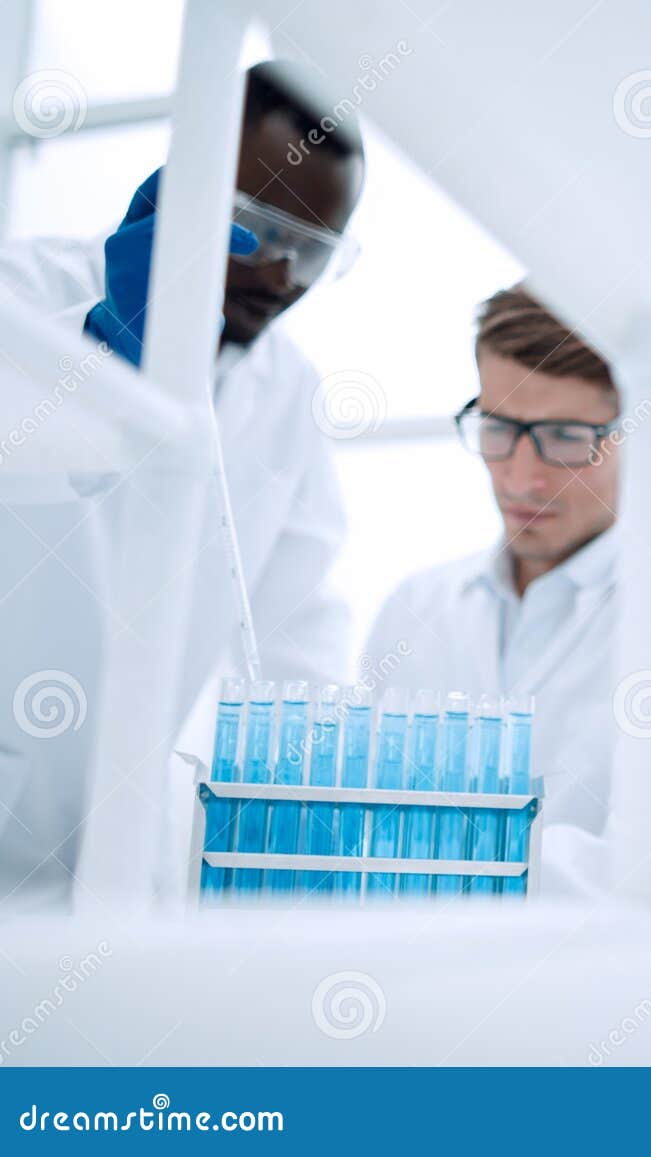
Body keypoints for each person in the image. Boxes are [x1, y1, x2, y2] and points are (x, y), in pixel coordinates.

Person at [0, 61, 364, 909]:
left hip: (116, 849)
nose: (280, 276)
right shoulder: (28, 292)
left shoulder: (288, 392)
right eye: (257, 230)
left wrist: (321, 802)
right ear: (188, 183)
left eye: (312, 251)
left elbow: (296, 636)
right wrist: (103, 360)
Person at [363, 285, 651, 900]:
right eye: (497, 428)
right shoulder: (416, 608)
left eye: (565, 437)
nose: (522, 478)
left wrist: (425, 861)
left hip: (610, 967)